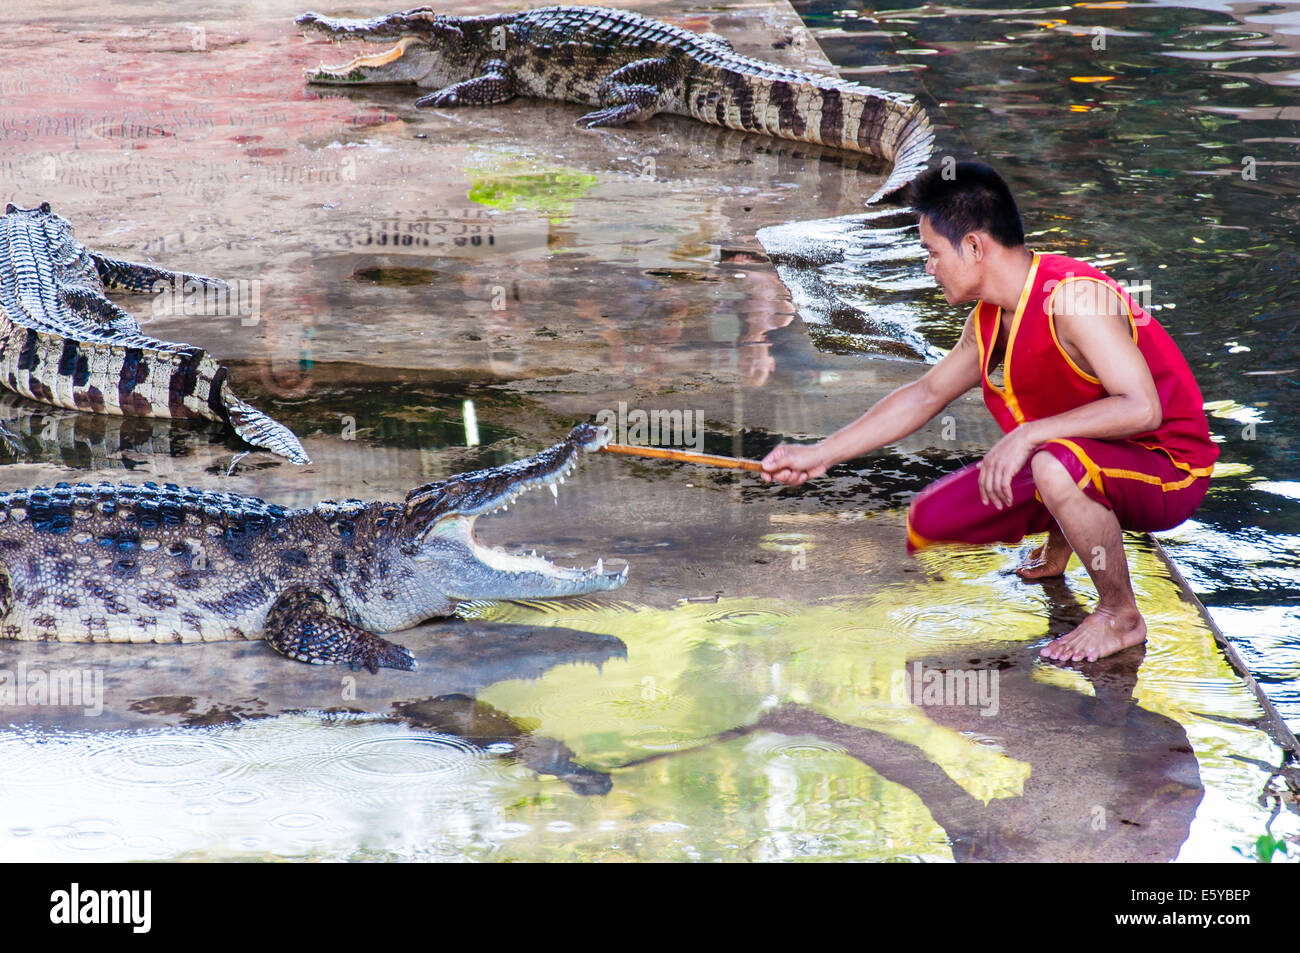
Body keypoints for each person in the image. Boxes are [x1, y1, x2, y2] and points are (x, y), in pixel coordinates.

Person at [761, 161, 1217, 662]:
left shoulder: (1073, 297)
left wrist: (1027, 437)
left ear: (975, 247)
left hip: (1170, 471)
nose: (928, 266)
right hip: (1107, 461)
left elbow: (1142, 409)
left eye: (932, 253)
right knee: (933, 516)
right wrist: (821, 455)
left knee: (1043, 458)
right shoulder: (991, 317)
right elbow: (925, 394)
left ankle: (1120, 616)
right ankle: (1062, 543)